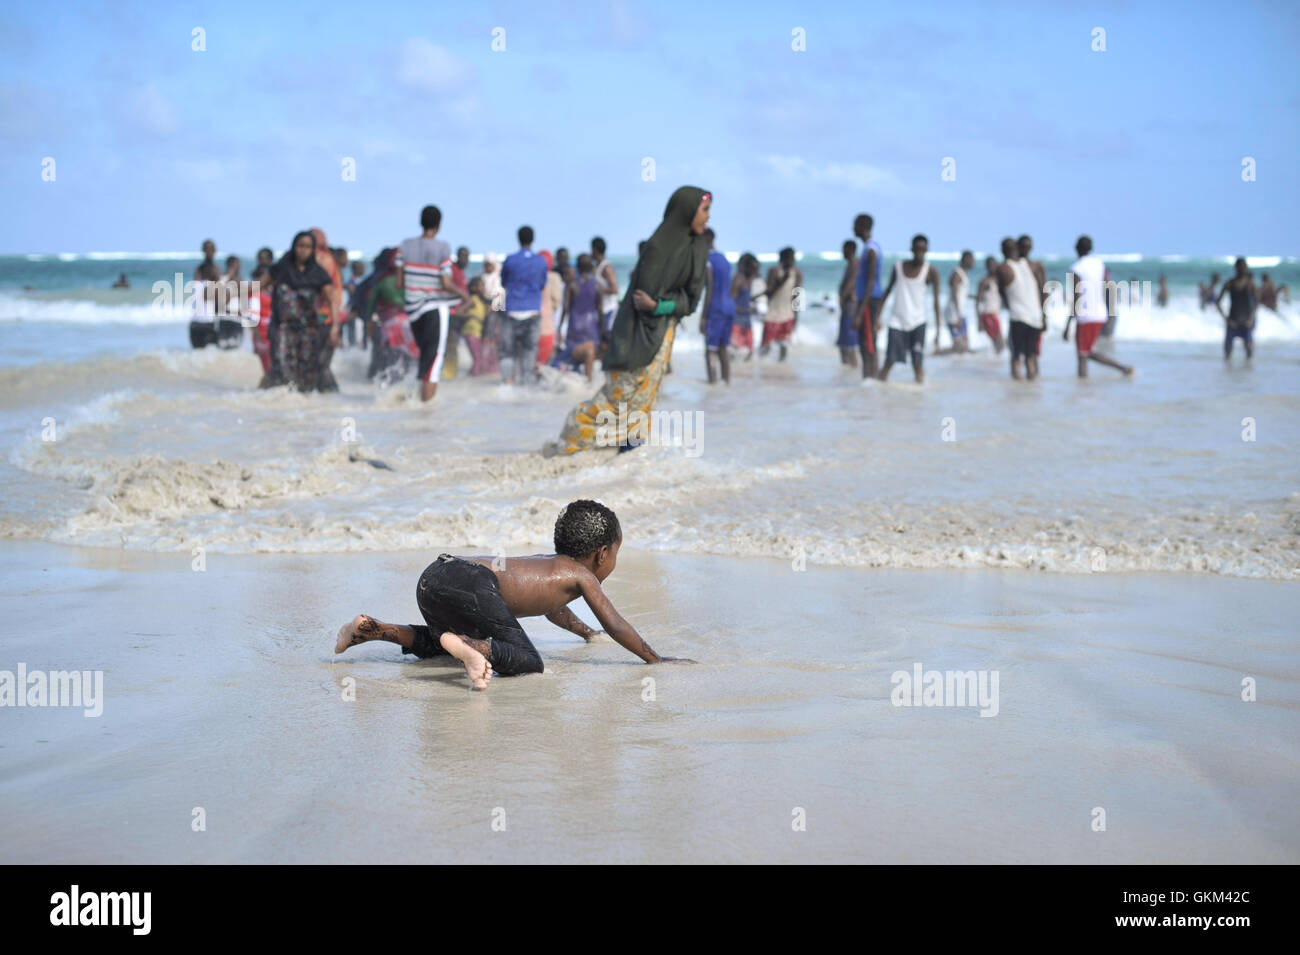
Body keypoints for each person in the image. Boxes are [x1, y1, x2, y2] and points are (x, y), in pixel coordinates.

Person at [334, 500, 694, 689]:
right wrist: (654, 659)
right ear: (602, 554)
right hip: (474, 581)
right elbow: (614, 622)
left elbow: (554, 611)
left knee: (439, 645)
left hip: (437, 574)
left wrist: (584, 633)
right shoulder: (582, 574)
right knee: (529, 662)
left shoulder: (551, 569)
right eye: (616, 553)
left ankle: (375, 628)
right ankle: (471, 647)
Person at [551, 186, 711, 456]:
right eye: (704, 210)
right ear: (686, 211)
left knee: (644, 401)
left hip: (663, 334)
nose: (707, 218)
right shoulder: (657, 247)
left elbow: (691, 302)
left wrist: (659, 305)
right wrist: (653, 307)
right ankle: (575, 445)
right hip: (635, 334)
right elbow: (637, 300)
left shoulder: (697, 249)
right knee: (619, 397)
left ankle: (625, 461)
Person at [397, 205, 465, 401]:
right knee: (434, 361)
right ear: (439, 225)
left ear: (421, 222)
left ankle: (418, 406)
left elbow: (399, 282)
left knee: (425, 359)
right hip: (434, 308)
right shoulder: (443, 247)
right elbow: (445, 282)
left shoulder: (405, 246)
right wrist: (464, 295)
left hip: (412, 310)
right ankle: (426, 416)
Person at [267, 230, 338, 392]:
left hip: (308, 331)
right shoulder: (281, 269)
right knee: (282, 366)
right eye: (300, 246)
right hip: (282, 328)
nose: (303, 250)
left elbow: (332, 300)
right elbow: (256, 285)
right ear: (294, 247)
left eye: (308, 247)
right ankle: (279, 403)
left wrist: (335, 327)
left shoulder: (319, 273)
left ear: (313, 249)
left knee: (306, 370)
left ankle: (303, 407)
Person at [1062, 235, 1133, 378]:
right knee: (1086, 352)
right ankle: (1121, 369)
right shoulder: (1100, 265)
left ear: (1076, 249)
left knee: (1083, 354)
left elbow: (1076, 298)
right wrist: (1110, 313)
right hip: (1100, 313)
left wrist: (1068, 323)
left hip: (1086, 316)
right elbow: (1108, 288)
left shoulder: (1076, 268)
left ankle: (1084, 387)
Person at [877, 233, 940, 383]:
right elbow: (887, 291)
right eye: (917, 249)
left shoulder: (931, 272)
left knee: (917, 364)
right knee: (889, 361)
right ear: (911, 249)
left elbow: (936, 302)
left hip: (918, 322)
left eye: (923, 249)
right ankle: (877, 392)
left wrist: (938, 331)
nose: (920, 253)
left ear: (927, 250)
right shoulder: (898, 267)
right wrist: (877, 317)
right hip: (897, 322)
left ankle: (919, 397)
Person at [360, 248, 419, 385]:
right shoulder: (409, 281)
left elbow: (370, 308)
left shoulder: (380, 282)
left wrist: (368, 329)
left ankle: (388, 395)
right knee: (408, 361)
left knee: (390, 362)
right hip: (409, 324)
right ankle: (407, 393)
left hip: (390, 326)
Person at [500, 226, 548, 385]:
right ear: (533, 239)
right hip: (533, 311)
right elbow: (541, 285)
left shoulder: (510, 260)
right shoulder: (541, 261)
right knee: (529, 353)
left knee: (508, 353)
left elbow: (503, 284)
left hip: (512, 310)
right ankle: (527, 392)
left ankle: (507, 385)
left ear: (518, 239)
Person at [997, 236, 1045, 380]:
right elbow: (1043, 290)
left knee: (1016, 356)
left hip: (1018, 317)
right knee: (1031, 356)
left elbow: (1002, 293)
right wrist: (1044, 316)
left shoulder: (1003, 268)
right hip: (1036, 317)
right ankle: (1033, 388)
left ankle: (1016, 392)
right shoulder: (1033, 265)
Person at [557, 254, 603, 381]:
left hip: (575, 329)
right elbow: (600, 311)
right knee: (590, 359)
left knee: (572, 363)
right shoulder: (597, 285)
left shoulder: (571, 285)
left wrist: (560, 329)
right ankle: (589, 383)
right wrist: (604, 332)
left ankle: (583, 385)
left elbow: (565, 309)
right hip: (592, 329)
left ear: (577, 267)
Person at [701, 229, 736, 384]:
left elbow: (709, 288)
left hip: (716, 308)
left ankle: (712, 384)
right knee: (723, 347)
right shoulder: (724, 258)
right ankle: (726, 382)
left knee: (710, 350)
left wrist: (703, 316)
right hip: (729, 307)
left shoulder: (707, 260)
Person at [853, 213, 883, 379]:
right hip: (869, 300)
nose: (853, 229)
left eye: (855, 225)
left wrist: (860, 311)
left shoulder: (871, 250)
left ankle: (870, 379)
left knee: (868, 344)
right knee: (868, 343)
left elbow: (871, 282)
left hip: (869, 301)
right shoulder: (869, 248)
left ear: (863, 227)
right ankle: (870, 379)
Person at [761, 247, 800, 362]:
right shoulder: (774, 271)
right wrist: (782, 280)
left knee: (784, 345)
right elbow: (769, 293)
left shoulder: (797, 273)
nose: (791, 261)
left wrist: (796, 316)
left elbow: (798, 295)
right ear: (782, 259)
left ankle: (781, 369)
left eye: (792, 258)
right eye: (788, 258)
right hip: (772, 312)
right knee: (766, 344)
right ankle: (763, 365)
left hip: (788, 314)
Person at [1217, 257, 1256, 361]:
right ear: (1236, 268)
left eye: (1244, 267)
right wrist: (1226, 319)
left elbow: (1256, 303)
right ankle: (1227, 372)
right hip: (1232, 321)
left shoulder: (1250, 284)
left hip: (1246, 322)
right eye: (1241, 267)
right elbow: (1218, 303)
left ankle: (1249, 373)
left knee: (1249, 351)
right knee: (1228, 352)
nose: (1243, 269)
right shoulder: (1229, 283)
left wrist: (1251, 319)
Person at [937, 250, 974, 354]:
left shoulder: (962, 274)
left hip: (959, 312)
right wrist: (958, 315)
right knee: (958, 346)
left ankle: (958, 366)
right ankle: (937, 354)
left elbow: (961, 294)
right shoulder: (957, 274)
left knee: (965, 345)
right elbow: (954, 294)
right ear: (965, 259)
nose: (973, 262)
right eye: (971, 259)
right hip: (954, 313)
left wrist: (975, 297)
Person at [729, 253, 761, 360]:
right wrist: (748, 310)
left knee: (749, 352)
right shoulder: (738, 279)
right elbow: (731, 302)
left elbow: (744, 298)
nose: (755, 272)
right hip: (736, 321)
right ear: (747, 267)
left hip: (746, 321)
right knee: (736, 351)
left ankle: (744, 375)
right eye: (754, 269)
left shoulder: (749, 280)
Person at [538, 249, 564, 370]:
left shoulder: (531, 276)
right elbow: (557, 300)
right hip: (548, 326)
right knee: (545, 366)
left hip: (530, 324)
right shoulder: (553, 277)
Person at [250, 265, 274, 385]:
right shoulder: (255, 295)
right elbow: (251, 319)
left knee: (271, 370)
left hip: (272, 336)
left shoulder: (273, 292)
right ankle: (262, 392)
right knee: (269, 370)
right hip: (262, 337)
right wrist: (257, 337)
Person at [835, 240, 859, 366]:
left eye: (844, 249)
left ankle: (852, 369)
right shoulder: (851, 264)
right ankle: (847, 371)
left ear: (850, 250)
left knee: (849, 345)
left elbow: (851, 283)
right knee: (845, 344)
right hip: (847, 306)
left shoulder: (855, 264)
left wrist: (842, 296)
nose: (842, 252)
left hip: (850, 306)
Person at [591, 236, 620, 332]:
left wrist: (599, 289)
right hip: (601, 309)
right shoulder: (597, 267)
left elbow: (615, 289)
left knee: (606, 337)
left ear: (595, 250)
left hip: (609, 309)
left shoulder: (606, 268)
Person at [976, 256, 1004, 354]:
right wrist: (979, 320)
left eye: (994, 264)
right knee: (998, 341)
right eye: (990, 265)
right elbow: (978, 300)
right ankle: (996, 362)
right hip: (987, 314)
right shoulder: (985, 281)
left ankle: (995, 363)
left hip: (994, 313)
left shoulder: (998, 280)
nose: (992, 267)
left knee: (999, 342)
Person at [189, 261, 220, 349]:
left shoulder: (196, 284)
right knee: (210, 355)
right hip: (207, 324)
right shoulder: (210, 284)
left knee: (198, 356)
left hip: (194, 324)